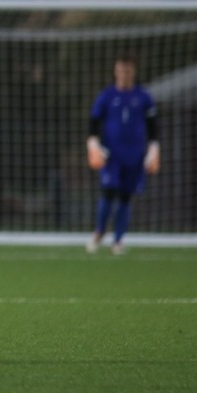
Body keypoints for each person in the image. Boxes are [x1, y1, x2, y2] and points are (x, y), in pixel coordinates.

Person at [86, 53, 159, 255]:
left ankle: (118, 240)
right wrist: (92, 143)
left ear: (133, 72)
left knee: (126, 197)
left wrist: (154, 148)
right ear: (115, 72)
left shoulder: (143, 97)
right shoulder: (107, 96)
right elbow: (94, 122)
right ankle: (100, 231)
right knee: (108, 192)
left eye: (127, 70)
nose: (123, 74)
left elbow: (153, 126)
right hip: (111, 155)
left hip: (135, 155)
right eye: (120, 70)